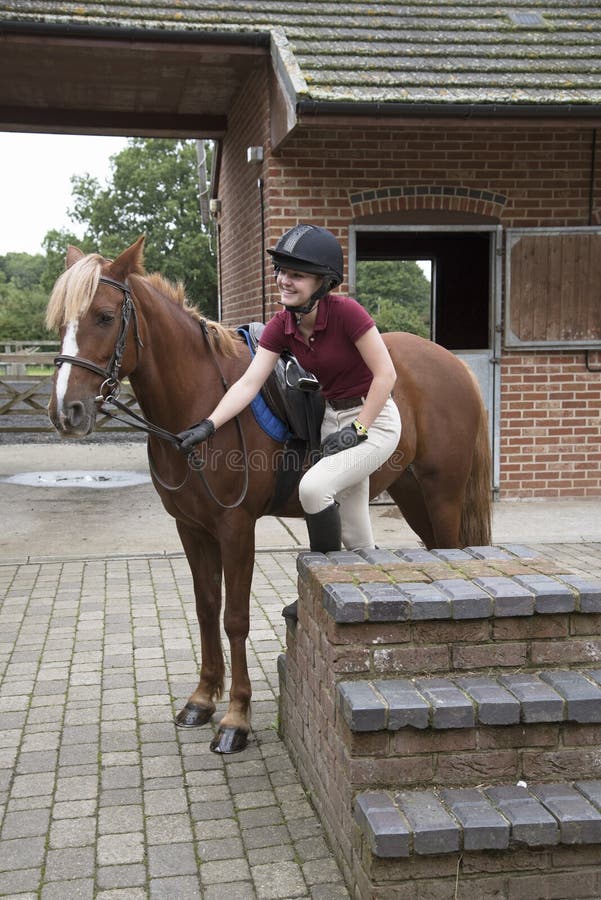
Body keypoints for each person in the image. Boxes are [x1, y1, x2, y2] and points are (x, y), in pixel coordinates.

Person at [178, 224, 401, 591]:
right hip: (333, 420)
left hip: (374, 421)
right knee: (356, 534)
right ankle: (369, 601)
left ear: (323, 283)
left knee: (312, 489)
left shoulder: (348, 313)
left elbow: (386, 374)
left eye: (297, 275)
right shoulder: (282, 325)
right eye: (281, 271)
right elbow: (249, 383)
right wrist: (208, 425)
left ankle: (319, 591)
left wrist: (358, 429)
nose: (284, 280)